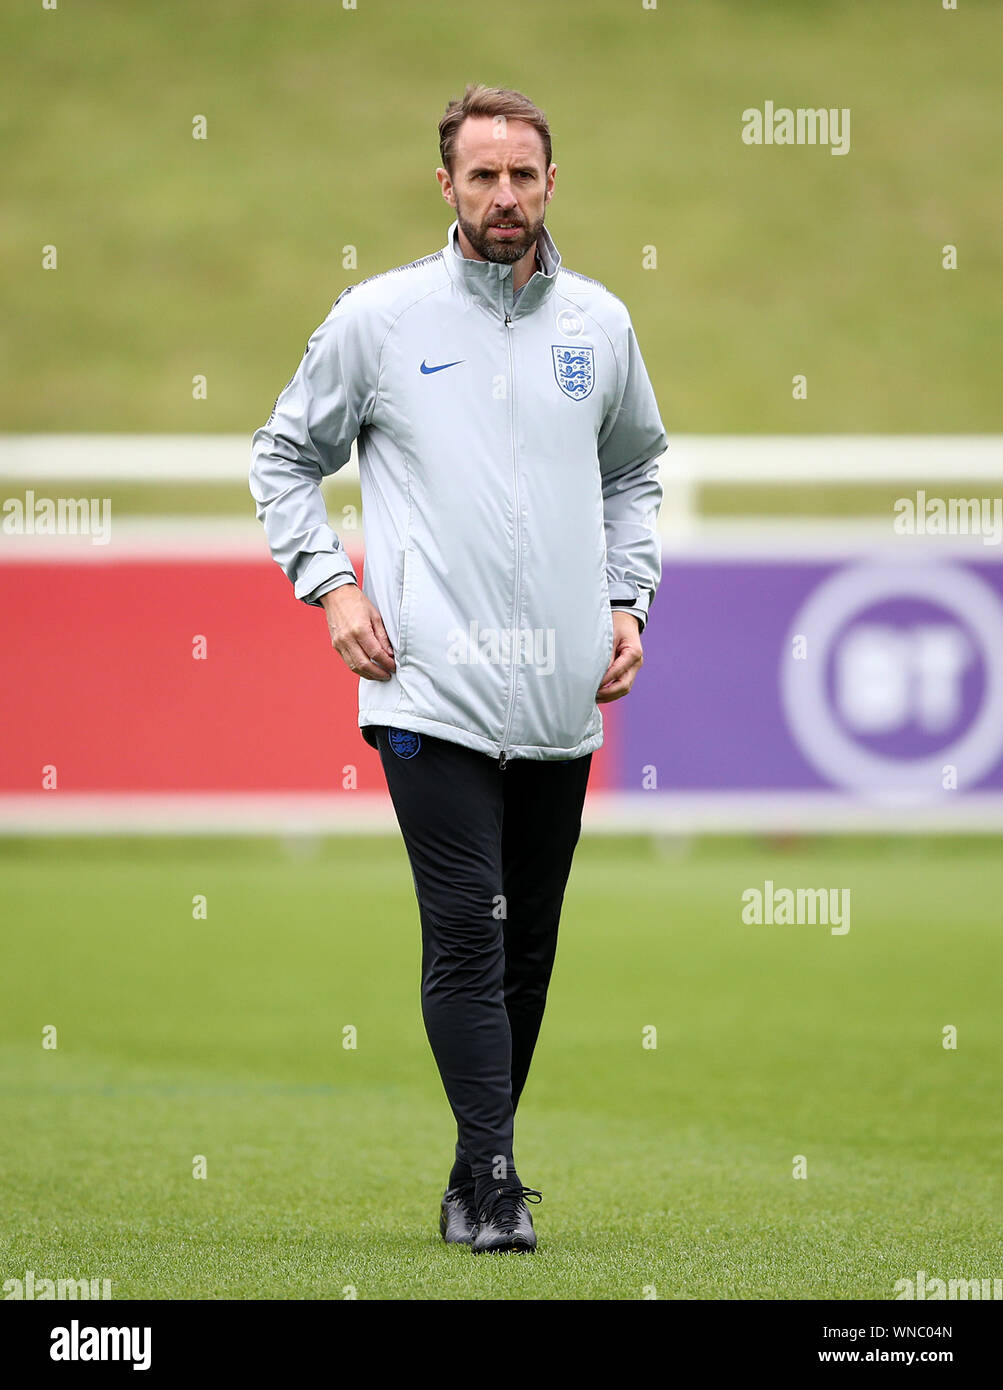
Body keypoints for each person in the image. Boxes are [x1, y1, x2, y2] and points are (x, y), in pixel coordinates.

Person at [249, 83, 666, 1254]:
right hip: (426, 686)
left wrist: (629, 596)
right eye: (480, 176)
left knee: (526, 941)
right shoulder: (380, 320)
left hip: (558, 698)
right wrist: (329, 584)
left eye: (521, 175)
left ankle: (470, 1168)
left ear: (549, 182)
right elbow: (283, 455)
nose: (502, 196)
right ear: (446, 186)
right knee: (470, 932)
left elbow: (636, 471)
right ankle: (493, 1183)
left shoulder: (599, 324)